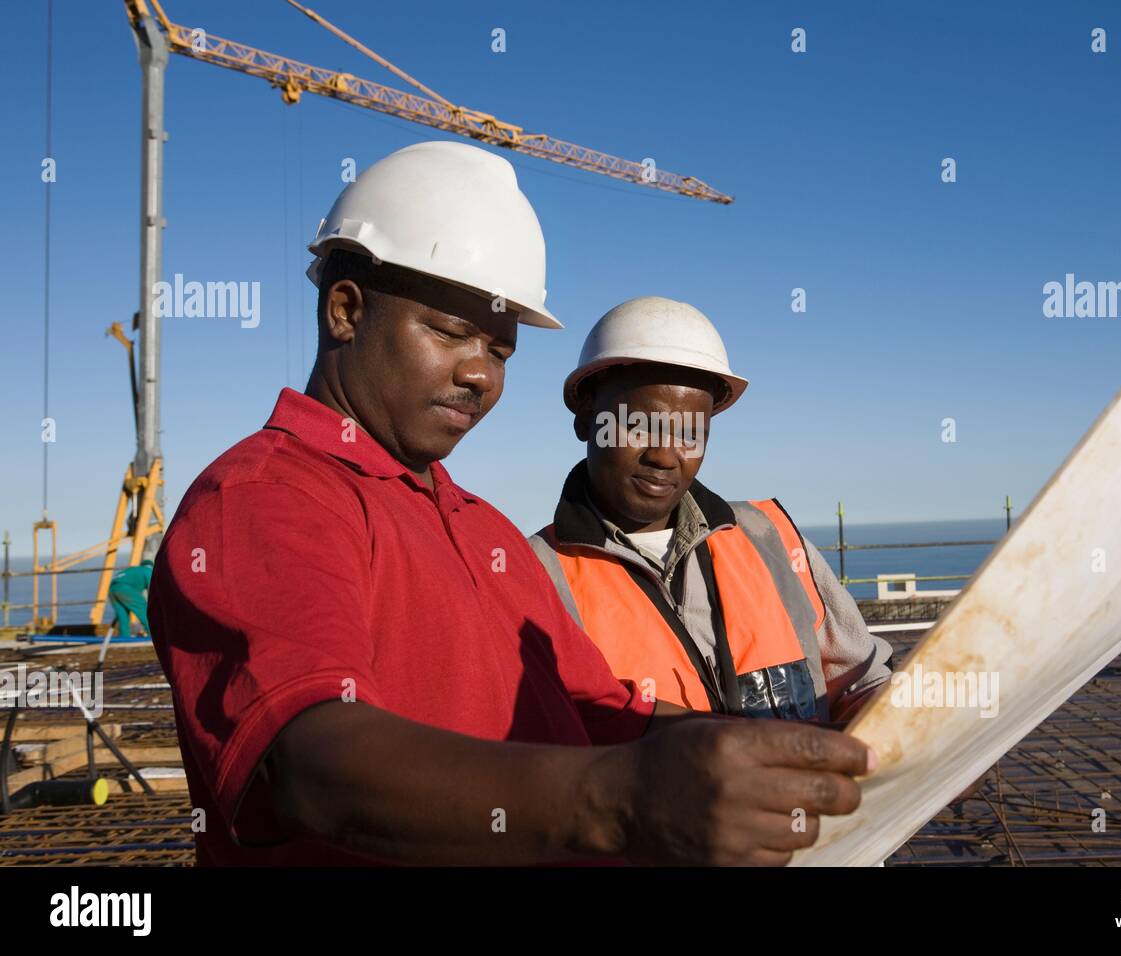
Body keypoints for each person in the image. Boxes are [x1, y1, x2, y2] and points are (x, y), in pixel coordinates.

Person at [147, 142, 874, 866]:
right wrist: (618, 799)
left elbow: (595, 708)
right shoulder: (267, 497)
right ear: (346, 311)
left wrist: (730, 749)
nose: (479, 374)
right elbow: (311, 763)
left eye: (500, 351)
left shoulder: (477, 528)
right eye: (450, 331)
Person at [529, 296, 894, 723]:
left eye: (690, 432)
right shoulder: (536, 575)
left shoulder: (769, 538)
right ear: (585, 420)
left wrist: (907, 732)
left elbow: (860, 682)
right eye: (638, 425)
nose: (665, 456)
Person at [108, 559, 153, 638]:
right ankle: (153, 636)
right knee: (144, 610)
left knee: (122, 615)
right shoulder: (148, 570)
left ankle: (124, 638)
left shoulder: (133, 570)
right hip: (125, 589)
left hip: (112, 589)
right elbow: (152, 589)